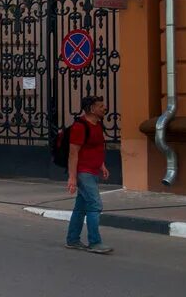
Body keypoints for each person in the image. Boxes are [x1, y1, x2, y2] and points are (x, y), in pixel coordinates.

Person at [66, 95, 113, 254]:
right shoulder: (80, 127)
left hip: (93, 171)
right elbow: (73, 153)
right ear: (92, 109)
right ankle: (95, 242)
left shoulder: (98, 125)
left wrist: (102, 165)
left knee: (81, 207)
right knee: (95, 205)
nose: (104, 108)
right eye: (101, 106)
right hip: (83, 173)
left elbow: (95, 147)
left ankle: (72, 240)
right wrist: (72, 177)